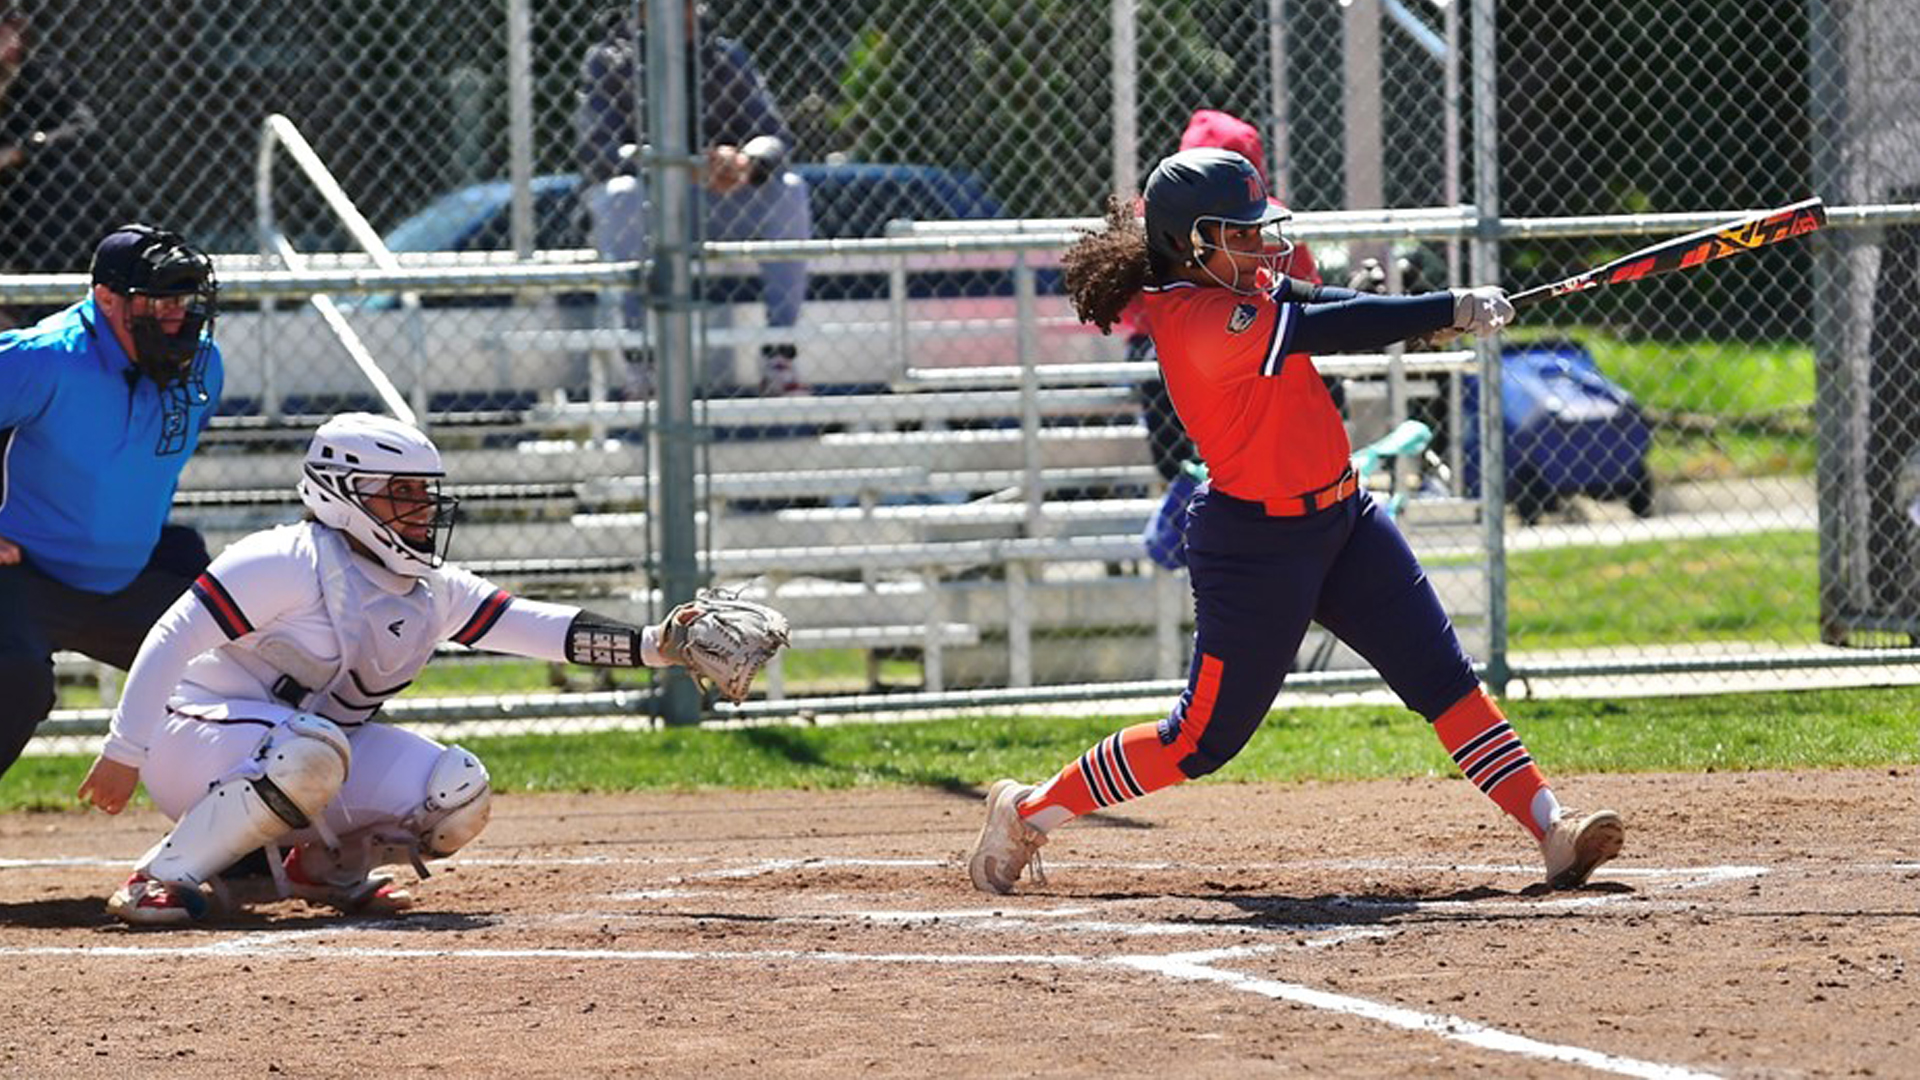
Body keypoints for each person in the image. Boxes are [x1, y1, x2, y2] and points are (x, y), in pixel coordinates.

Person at [968, 148, 1625, 895]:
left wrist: (1436, 318)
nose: (1258, 246)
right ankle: (1029, 810)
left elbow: (1328, 303)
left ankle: (1553, 829)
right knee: (1199, 741)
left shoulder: (1241, 282)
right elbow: (1331, 332)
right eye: (1239, 234)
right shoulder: (1199, 318)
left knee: (1444, 682)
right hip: (1255, 549)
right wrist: (1446, 309)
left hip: (1344, 521)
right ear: (1191, 243)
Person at [76, 412, 791, 926]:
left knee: (457, 792)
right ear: (342, 491)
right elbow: (170, 638)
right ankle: (158, 878)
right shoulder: (283, 558)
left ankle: (319, 869)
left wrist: (655, 645)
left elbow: (531, 623)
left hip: (290, 751)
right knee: (315, 748)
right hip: (191, 741)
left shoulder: (428, 587)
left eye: (423, 495)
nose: (421, 512)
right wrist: (123, 751)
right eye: (402, 494)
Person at [0, 223, 221, 782]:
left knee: (240, 671)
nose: (177, 312)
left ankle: (242, 851)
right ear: (105, 299)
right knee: (16, 679)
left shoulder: (202, 366)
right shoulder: (44, 359)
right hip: (22, 575)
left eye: (185, 296)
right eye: (160, 297)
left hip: (126, 574)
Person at [576, 1, 812, 397]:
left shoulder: (723, 56)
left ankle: (779, 357)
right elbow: (599, 149)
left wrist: (744, 162)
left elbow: (774, 135)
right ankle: (640, 364)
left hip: (714, 199)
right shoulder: (608, 61)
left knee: (788, 189)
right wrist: (672, 166)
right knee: (621, 195)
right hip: (648, 204)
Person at [0, 4, 109, 322]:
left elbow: (83, 128)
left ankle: (45, 310)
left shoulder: (44, 75)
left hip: (35, 199)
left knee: (60, 180)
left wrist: (22, 150)